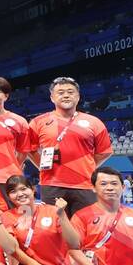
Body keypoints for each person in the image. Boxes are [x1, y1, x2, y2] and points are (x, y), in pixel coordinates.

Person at [29, 77, 113, 216]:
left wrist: (88, 166)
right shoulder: (38, 122)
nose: (66, 95)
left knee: (85, 228)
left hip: (84, 185)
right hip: (51, 184)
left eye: (70, 92)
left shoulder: (94, 122)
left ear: (78, 96)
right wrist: (41, 166)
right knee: (54, 229)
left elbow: (104, 152)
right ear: (52, 98)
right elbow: (29, 150)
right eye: (60, 92)